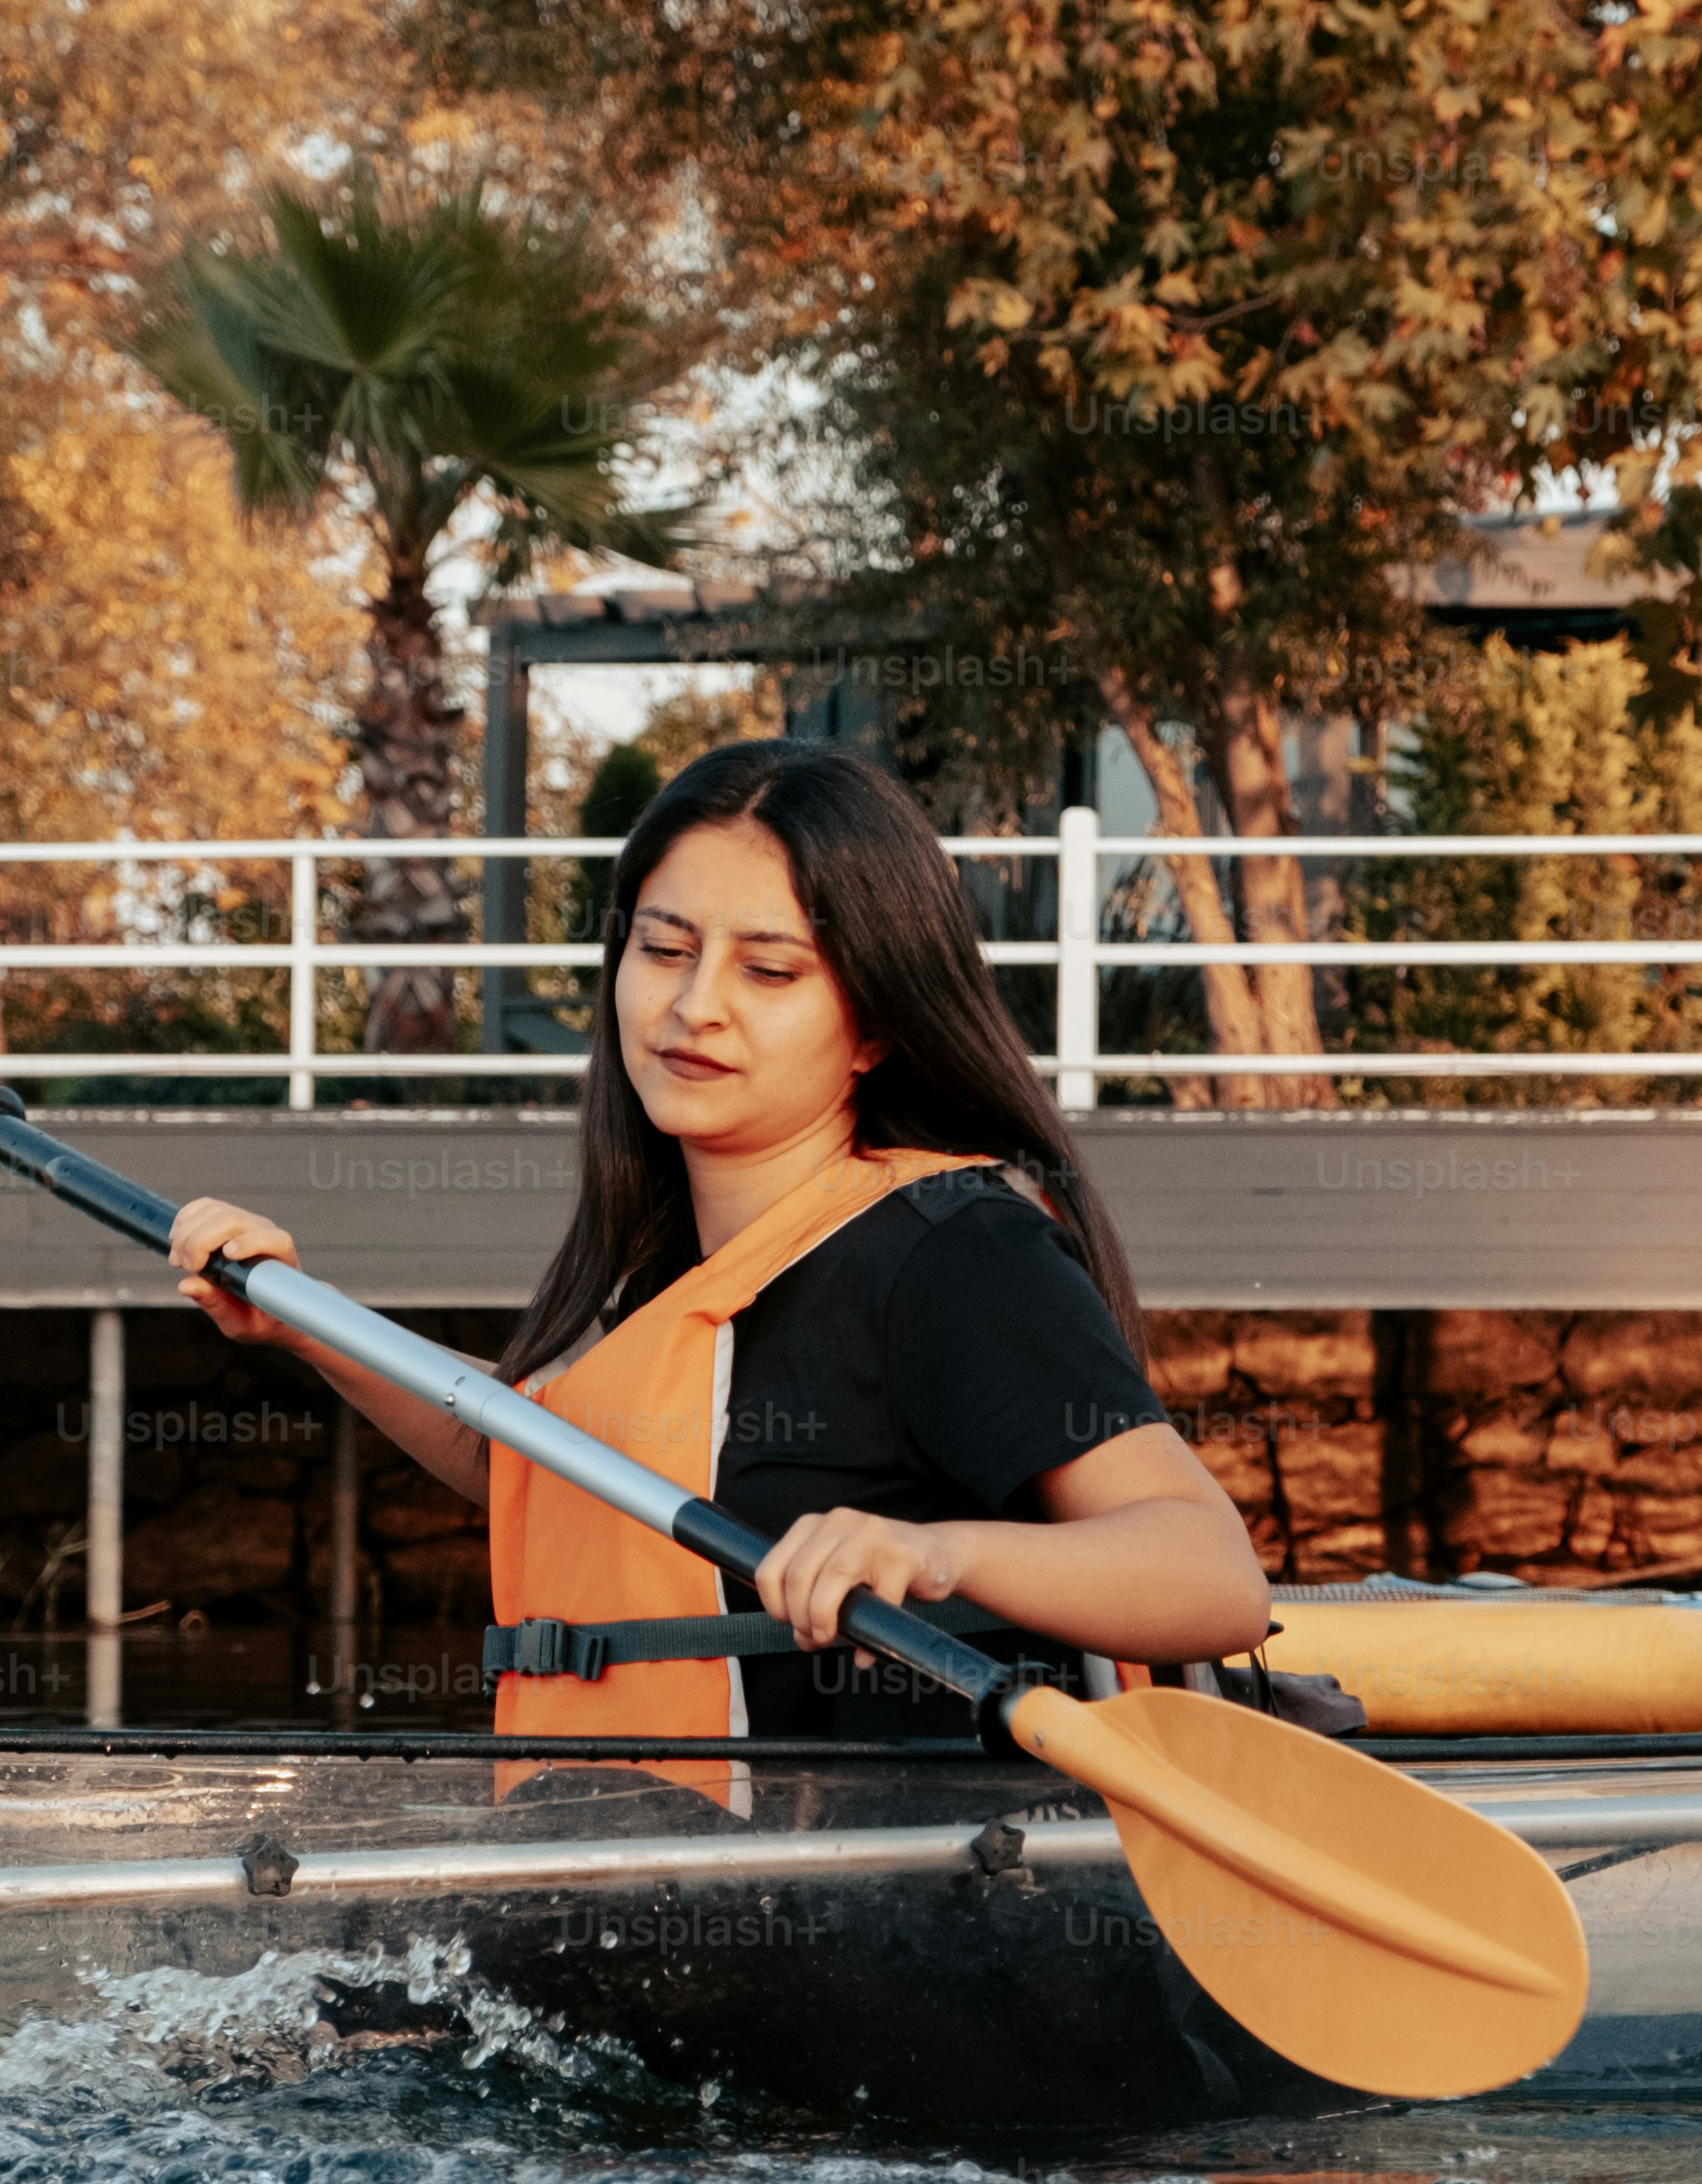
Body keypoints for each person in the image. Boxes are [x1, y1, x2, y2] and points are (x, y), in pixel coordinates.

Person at [167, 739, 1270, 1741]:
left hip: (891, 1922)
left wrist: (938, 1554)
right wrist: (311, 1325)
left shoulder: (956, 1254)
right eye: (665, 949)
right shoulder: (672, 1264)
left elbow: (1212, 1574)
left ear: (877, 1026)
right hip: (657, 1904)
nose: (695, 1005)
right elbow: (537, 1455)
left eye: (769, 969)